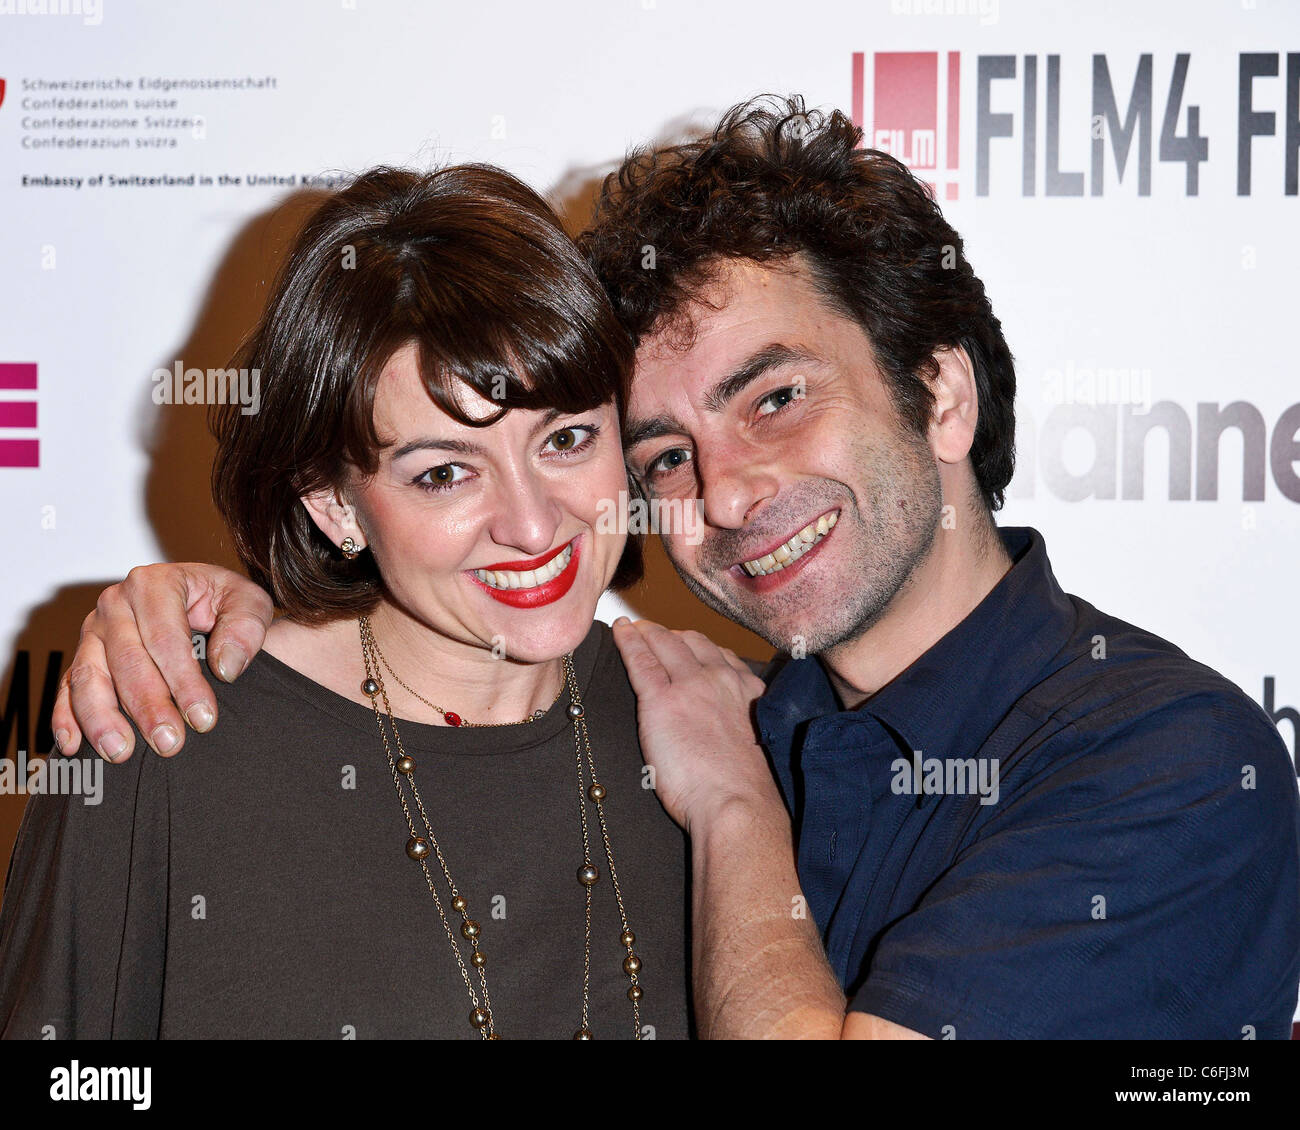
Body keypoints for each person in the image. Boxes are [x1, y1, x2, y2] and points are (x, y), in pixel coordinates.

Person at [44, 98, 1300, 1039]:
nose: (731, 490)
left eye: (777, 397)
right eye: (664, 448)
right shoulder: (748, 709)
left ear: (941, 390)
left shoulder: (1168, 760)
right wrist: (222, 610)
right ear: (338, 501)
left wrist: (734, 806)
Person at [0, 164, 692, 1040]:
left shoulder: (713, 732)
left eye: (566, 438)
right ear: (334, 503)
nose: (529, 522)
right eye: (444, 473)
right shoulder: (165, 739)